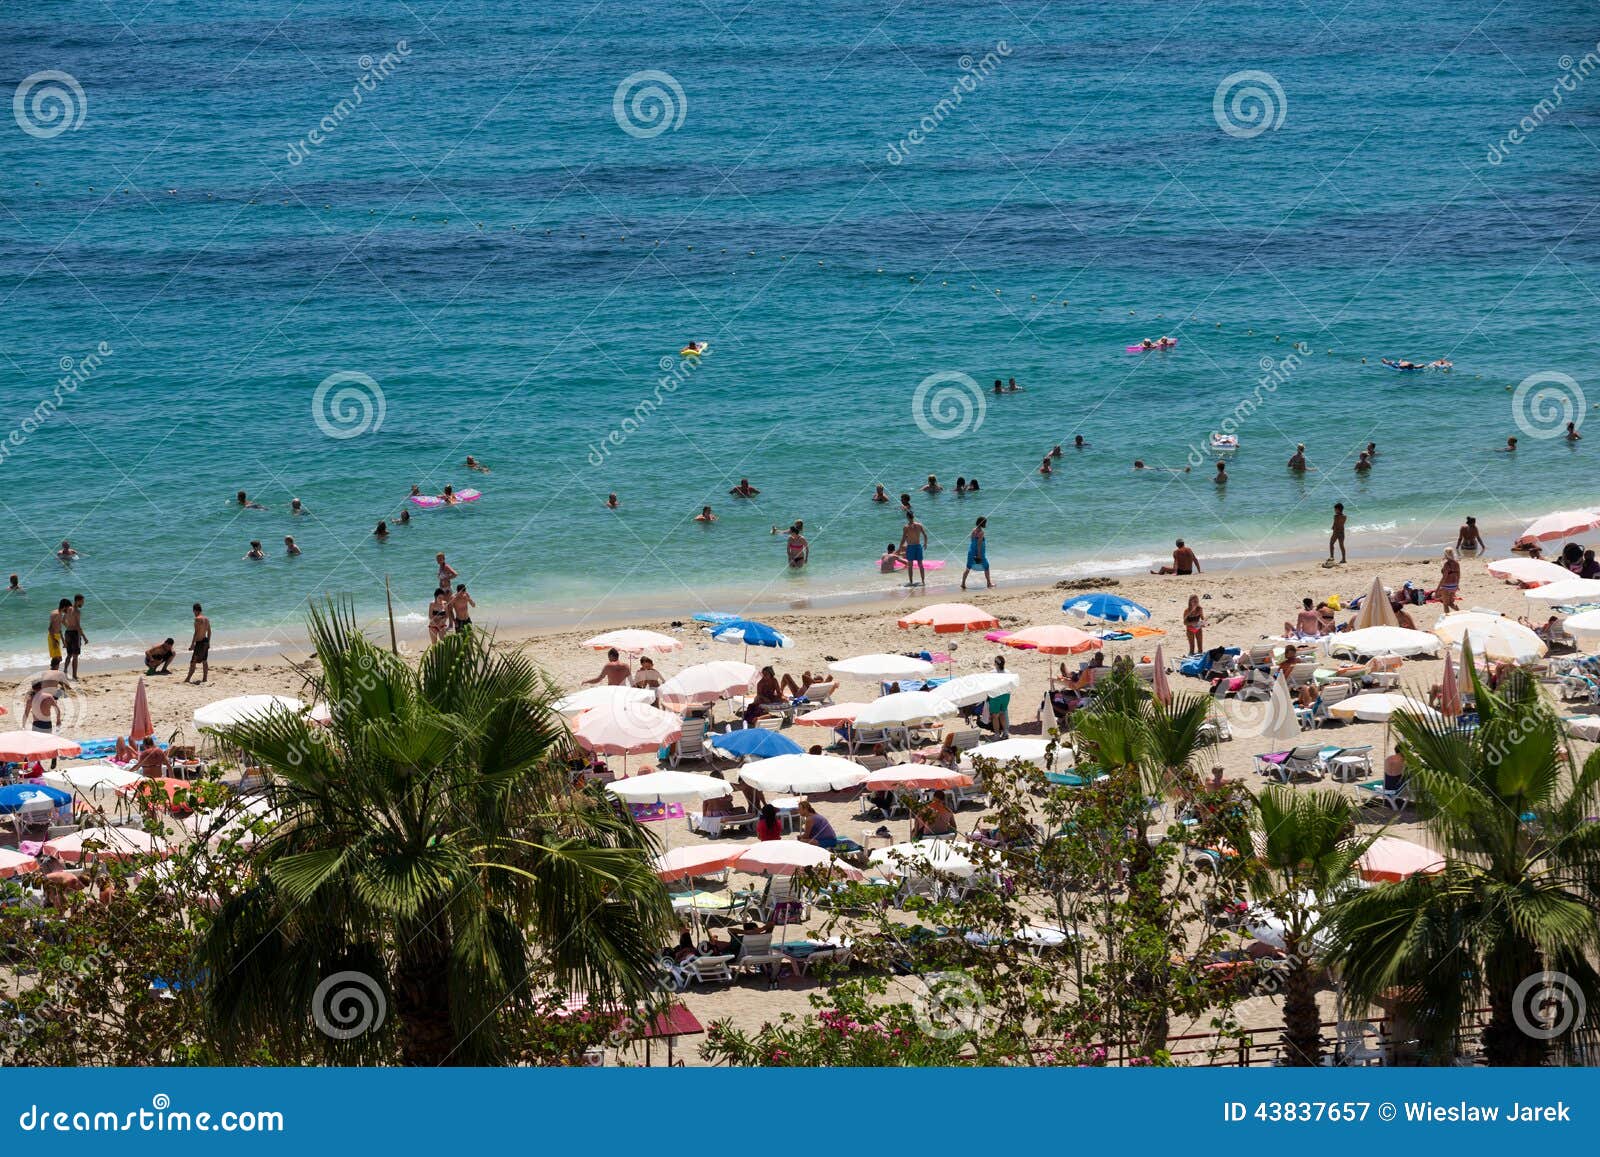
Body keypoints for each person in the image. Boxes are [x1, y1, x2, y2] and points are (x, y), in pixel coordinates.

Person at [962, 516, 991, 590]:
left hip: (971, 551)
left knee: (968, 568)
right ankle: (989, 584)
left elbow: (972, 541)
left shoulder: (973, 530)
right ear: (983, 523)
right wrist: (978, 555)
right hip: (979, 552)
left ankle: (963, 583)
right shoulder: (981, 532)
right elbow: (979, 544)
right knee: (986, 567)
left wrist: (974, 552)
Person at [900, 510, 928, 587]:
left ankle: (911, 582)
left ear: (907, 517)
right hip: (918, 546)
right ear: (913, 516)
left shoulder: (906, 527)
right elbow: (925, 535)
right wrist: (925, 544)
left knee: (910, 565)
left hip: (911, 547)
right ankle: (923, 581)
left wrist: (899, 548)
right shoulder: (919, 525)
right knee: (920, 565)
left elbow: (903, 539)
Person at [62, 594, 86, 680]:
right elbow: (78, 626)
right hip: (75, 634)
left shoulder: (68, 609)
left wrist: (68, 627)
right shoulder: (77, 612)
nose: (83, 603)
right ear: (77, 601)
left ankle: (64, 671)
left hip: (67, 633)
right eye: (82, 601)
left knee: (69, 654)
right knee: (75, 656)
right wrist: (84, 637)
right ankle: (74, 676)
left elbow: (63, 621)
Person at [185, 603, 211, 684]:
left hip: (199, 643)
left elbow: (196, 632)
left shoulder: (197, 619)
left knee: (193, 662)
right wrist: (208, 642)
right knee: (204, 660)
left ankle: (187, 679)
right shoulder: (206, 619)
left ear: (194, 610)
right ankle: (205, 678)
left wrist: (192, 644)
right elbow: (209, 632)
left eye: (193, 611)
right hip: (206, 641)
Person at [986, 655, 1011, 736]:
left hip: (996, 696)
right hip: (1006, 696)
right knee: (1003, 713)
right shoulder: (1008, 672)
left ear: (995, 663)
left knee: (995, 716)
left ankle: (997, 734)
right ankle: (1005, 732)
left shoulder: (991, 673)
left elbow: (988, 686)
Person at [47, 598, 67, 670]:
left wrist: (63, 641)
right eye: (67, 608)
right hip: (53, 637)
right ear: (64, 606)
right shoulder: (56, 614)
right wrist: (54, 640)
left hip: (56, 637)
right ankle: (52, 675)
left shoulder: (60, 614)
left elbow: (59, 628)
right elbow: (50, 628)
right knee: (57, 658)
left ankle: (52, 675)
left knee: (58, 658)